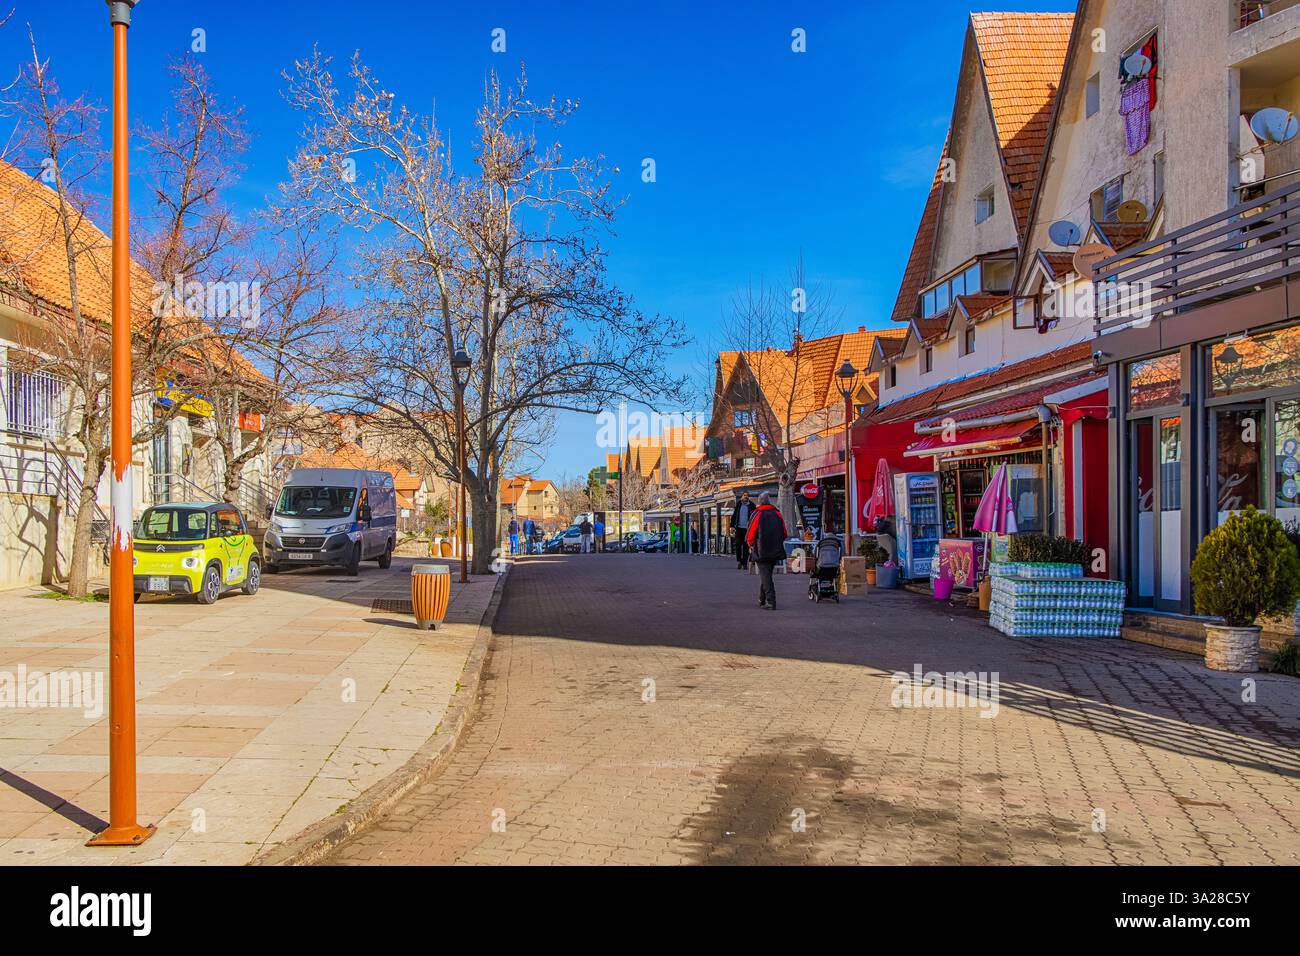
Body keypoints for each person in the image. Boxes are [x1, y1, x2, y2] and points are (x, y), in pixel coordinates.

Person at [745, 492, 788, 610]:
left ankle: (771, 601)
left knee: (766, 576)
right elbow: (784, 532)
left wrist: (751, 544)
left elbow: (750, 533)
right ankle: (761, 598)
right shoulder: (777, 513)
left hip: (761, 549)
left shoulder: (757, 514)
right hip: (775, 549)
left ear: (759, 502)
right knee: (766, 574)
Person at [730, 491, 753, 569]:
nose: (746, 497)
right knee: (738, 544)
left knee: (746, 546)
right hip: (739, 528)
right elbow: (734, 515)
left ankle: (744, 563)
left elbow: (754, 517)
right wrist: (732, 526)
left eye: (747, 495)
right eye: (744, 495)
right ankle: (739, 560)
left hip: (747, 529)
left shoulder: (752, 505)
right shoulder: (739, 504)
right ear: (742, 496)